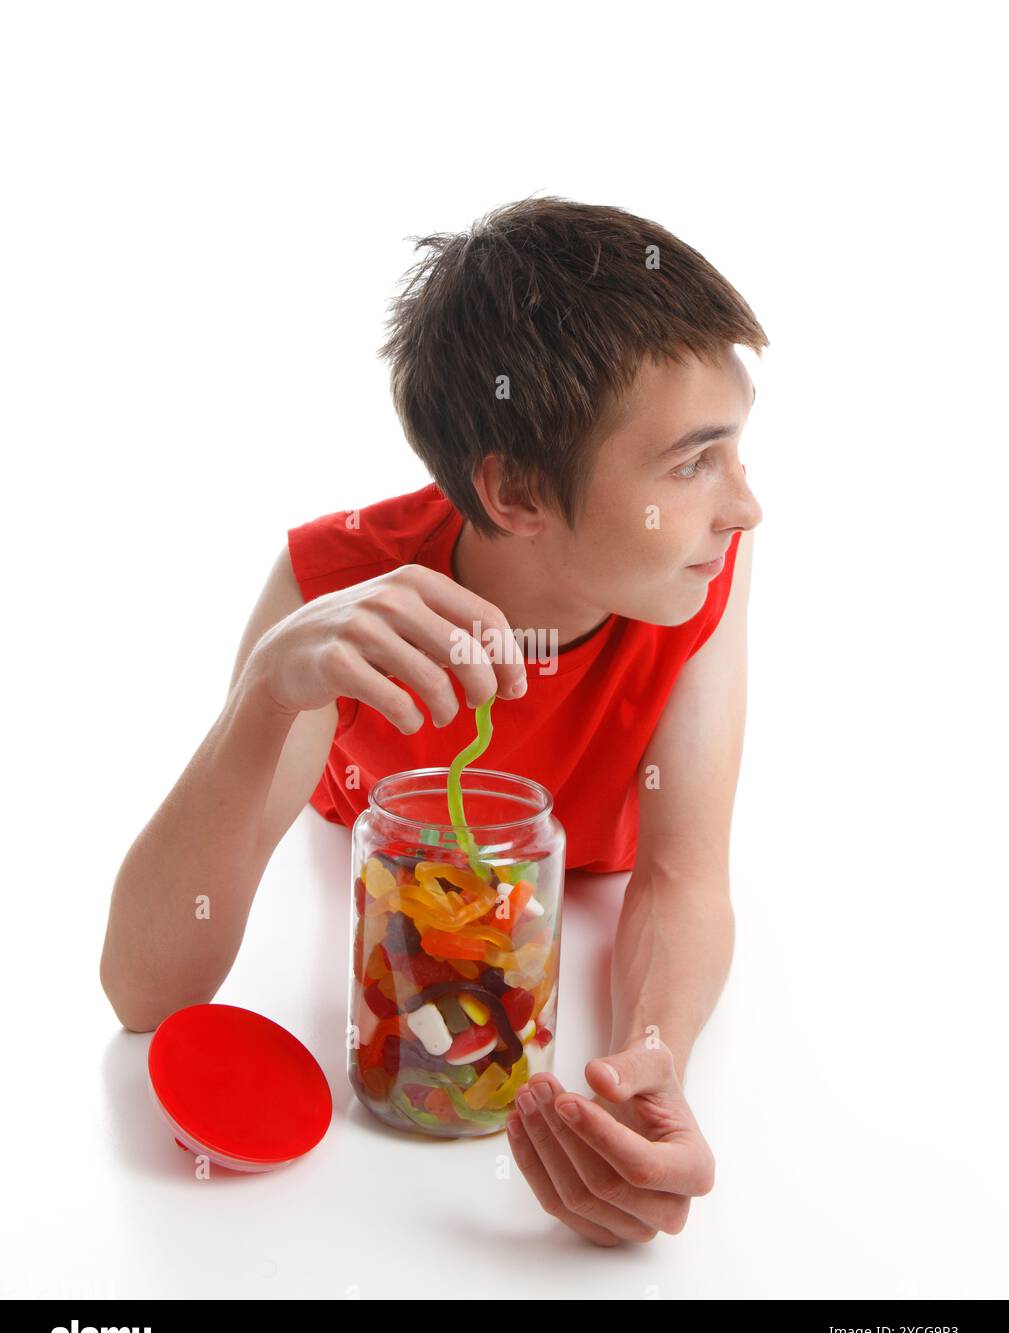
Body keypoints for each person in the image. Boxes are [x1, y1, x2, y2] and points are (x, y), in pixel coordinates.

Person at [101, 194, 766, 1247]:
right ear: (514, 488)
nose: (743, 506)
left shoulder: (690, 579)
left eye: (733, 450)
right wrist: (264, 695)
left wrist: (653, 1059)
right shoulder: (338, 585)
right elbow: (145, 988)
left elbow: (684, 876)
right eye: (689, 463)